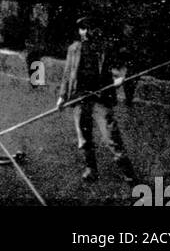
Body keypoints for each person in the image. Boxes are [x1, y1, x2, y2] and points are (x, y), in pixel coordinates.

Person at [57, 13, 137, 184]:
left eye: (87, 28)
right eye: (81, 28)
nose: (84, 32)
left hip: (100, 98)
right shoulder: (73, 49)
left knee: (111, 138)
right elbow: (66, 74)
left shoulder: (105, 49)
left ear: (95, 30)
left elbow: (120, 67)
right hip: (80, 99)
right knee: (84, 138)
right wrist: (62, 97)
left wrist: (119, 78)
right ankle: (91, 169)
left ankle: (130, 176)